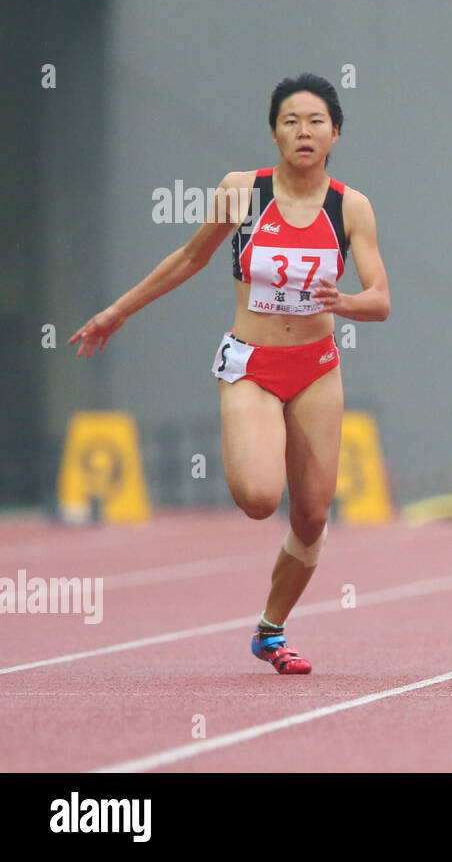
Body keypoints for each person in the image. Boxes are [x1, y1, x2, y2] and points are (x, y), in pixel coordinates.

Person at [69, 73, 391, 674]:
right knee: (258, 498)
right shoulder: (242, 192)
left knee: (314, 514)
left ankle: (271, 629)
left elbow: (380, 299)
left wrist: (341, 301)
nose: (303, 131)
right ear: (273, 131)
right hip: (252, 363)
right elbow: (189, 259)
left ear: (336, 134)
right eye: (291, 120)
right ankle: (247, 437)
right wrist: (117, 312)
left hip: (318, 368)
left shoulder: (352, 206)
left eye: (316, 121)